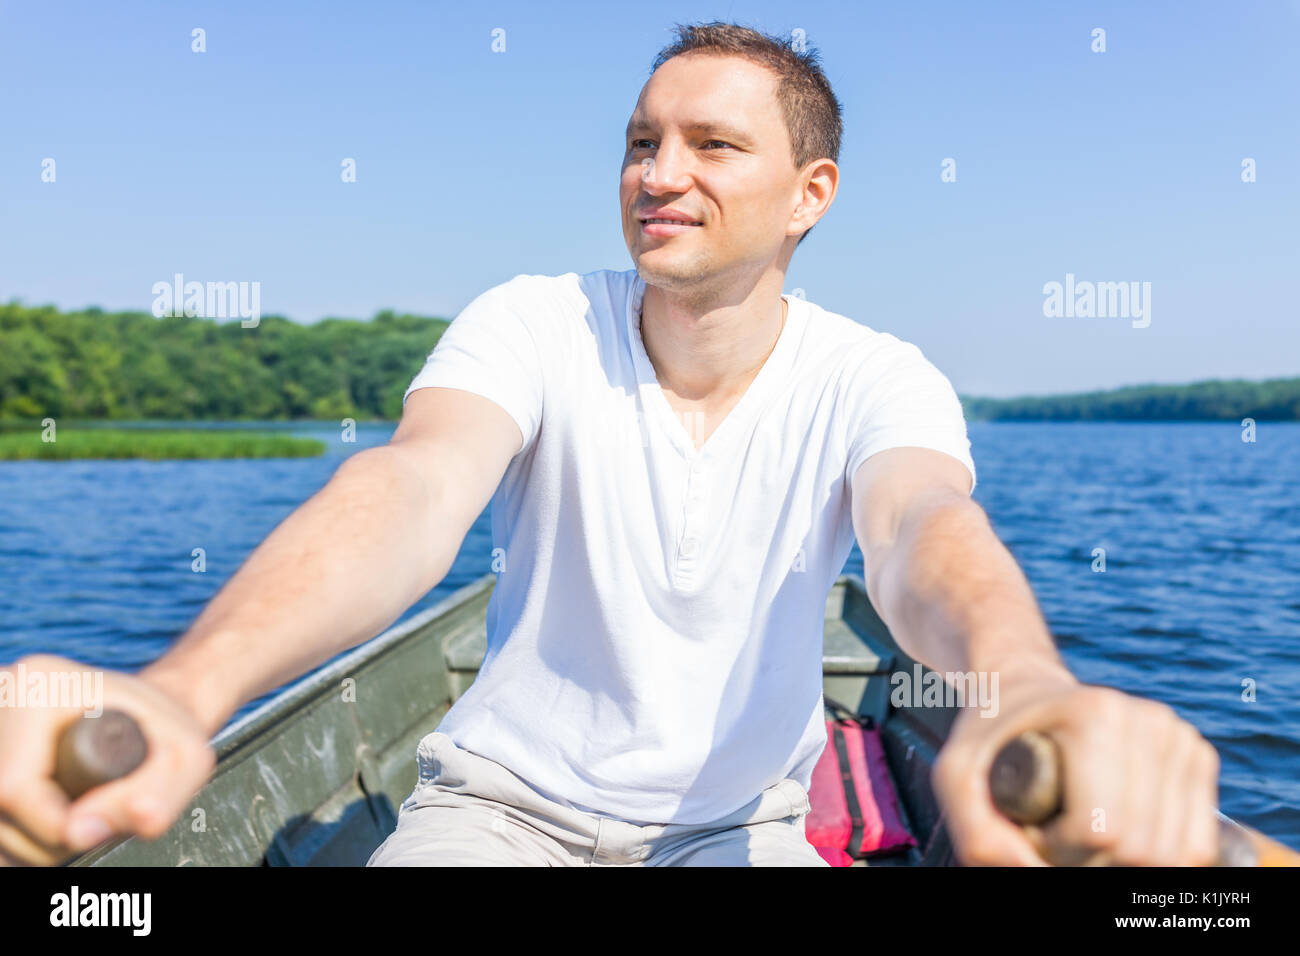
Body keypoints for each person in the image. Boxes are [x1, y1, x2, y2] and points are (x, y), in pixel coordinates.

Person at [0, 21, 1219, 868]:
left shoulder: (875, 374)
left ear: (812, 193)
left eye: (712, 146)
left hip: (734, 826)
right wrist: (182, 688)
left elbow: (920, 536)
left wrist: (1027, 690)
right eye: (642, 142)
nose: (658, 174)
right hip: (498, 811)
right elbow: (415, 491)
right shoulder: (532, 319)